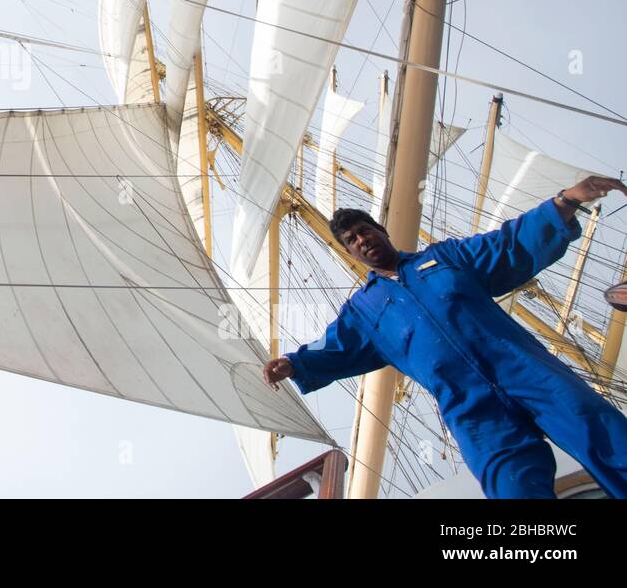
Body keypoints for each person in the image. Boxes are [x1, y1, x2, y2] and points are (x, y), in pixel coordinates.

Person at [263, 175, 627, 498]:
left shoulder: (447, 257)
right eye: (352, 239)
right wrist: (294, 363)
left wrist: (565, 201)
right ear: (350, 253)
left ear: (382, 231)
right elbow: (337, 346)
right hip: (470, 409)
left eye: (365, 230)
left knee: (606, 437)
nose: (362, 239)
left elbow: (506, 244)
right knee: (511, 486)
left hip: (528, 371)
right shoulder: (363, 312)